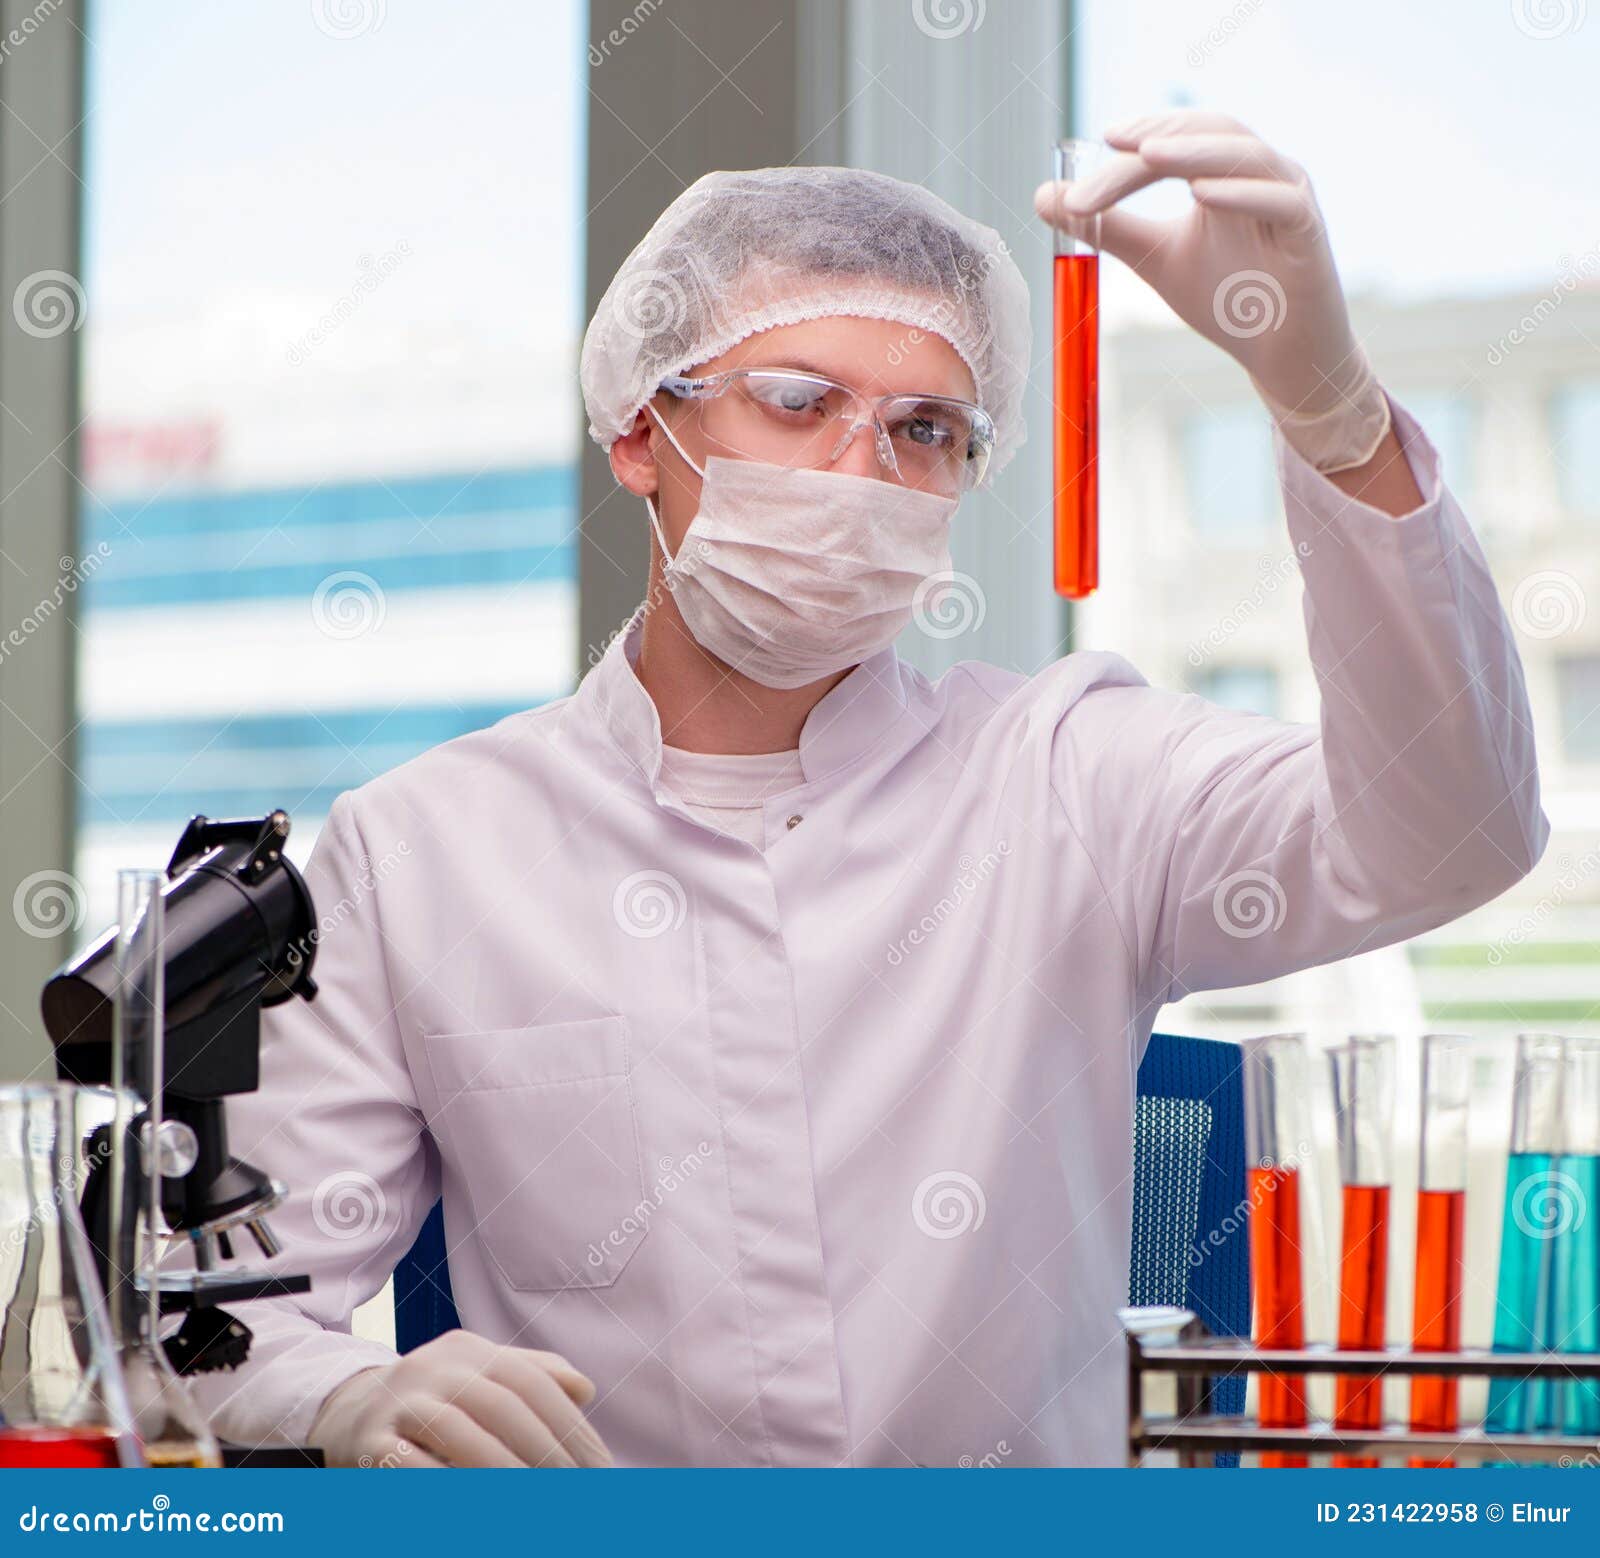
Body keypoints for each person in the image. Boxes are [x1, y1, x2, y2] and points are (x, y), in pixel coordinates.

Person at [186, 111, 1546, 1468]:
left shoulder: (1074, 777)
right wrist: (342, 1397)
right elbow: (231, 1308)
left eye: (927, 429)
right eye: (798, 401)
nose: (862, 470)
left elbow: (1450, 832)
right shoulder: (420, 853)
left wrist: (1330, 409)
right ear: (640, 432)